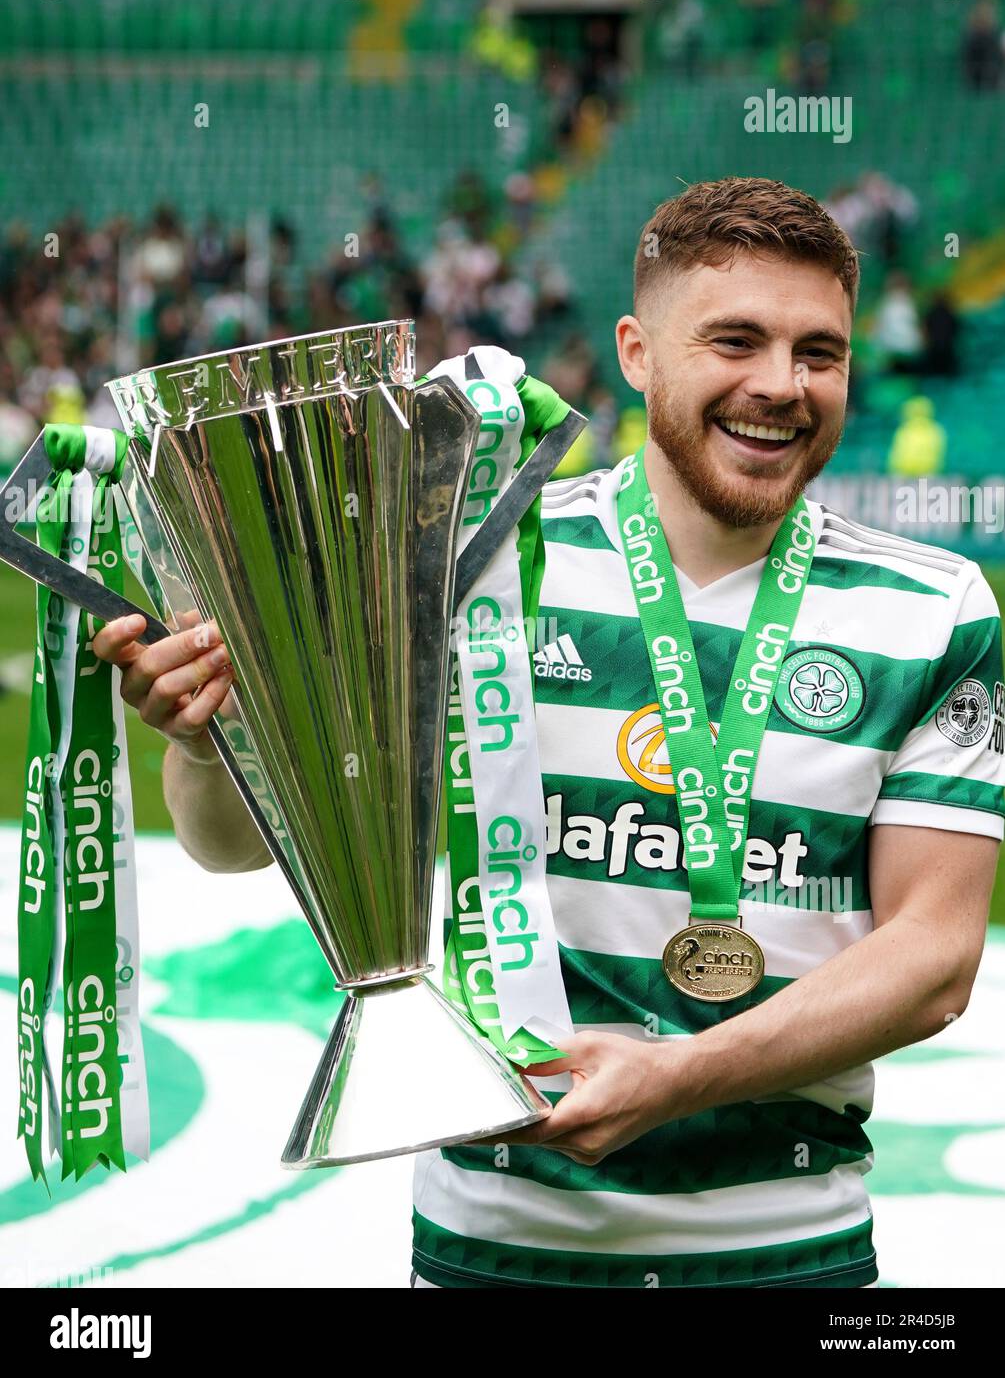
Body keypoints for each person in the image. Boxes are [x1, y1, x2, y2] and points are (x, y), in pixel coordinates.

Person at [92, 176, 1004, 1289]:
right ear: (636, 353)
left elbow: (933, 959)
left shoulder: (934, 608)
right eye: (735, 340)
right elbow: (235, 845)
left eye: (820, 352)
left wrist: (680, 1075)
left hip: (792, 1257)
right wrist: (207, 742)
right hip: (489, 1251)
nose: (781, 384)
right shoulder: (467, 563)